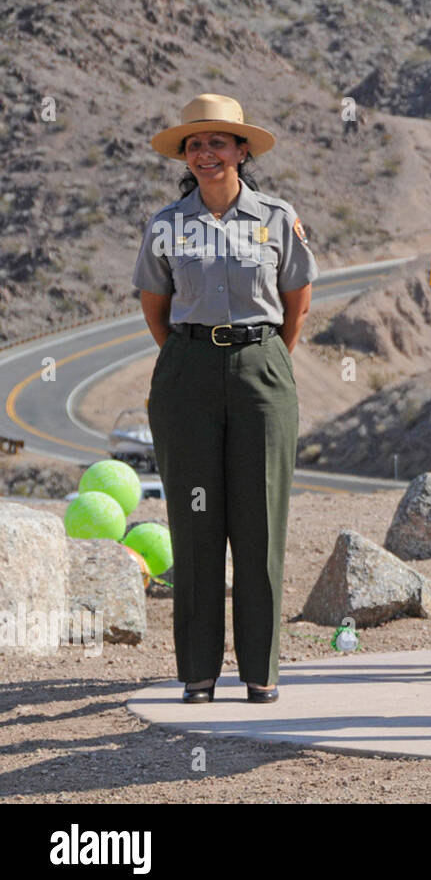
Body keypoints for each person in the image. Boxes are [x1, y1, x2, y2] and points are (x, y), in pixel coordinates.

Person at [132, 94, 317, 704]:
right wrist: (197, 354)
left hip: (262, 366)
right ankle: (199, 674)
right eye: (194, 144)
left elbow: (298, 301)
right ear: (185, 157)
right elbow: (155, 306)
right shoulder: (166, 224)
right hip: (187, 371)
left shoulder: (277, 217)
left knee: (260, 521)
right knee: (196, 520)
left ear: (242, 150)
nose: (205, 153)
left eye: (218, 142)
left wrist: (259, 356)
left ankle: (260, 672)